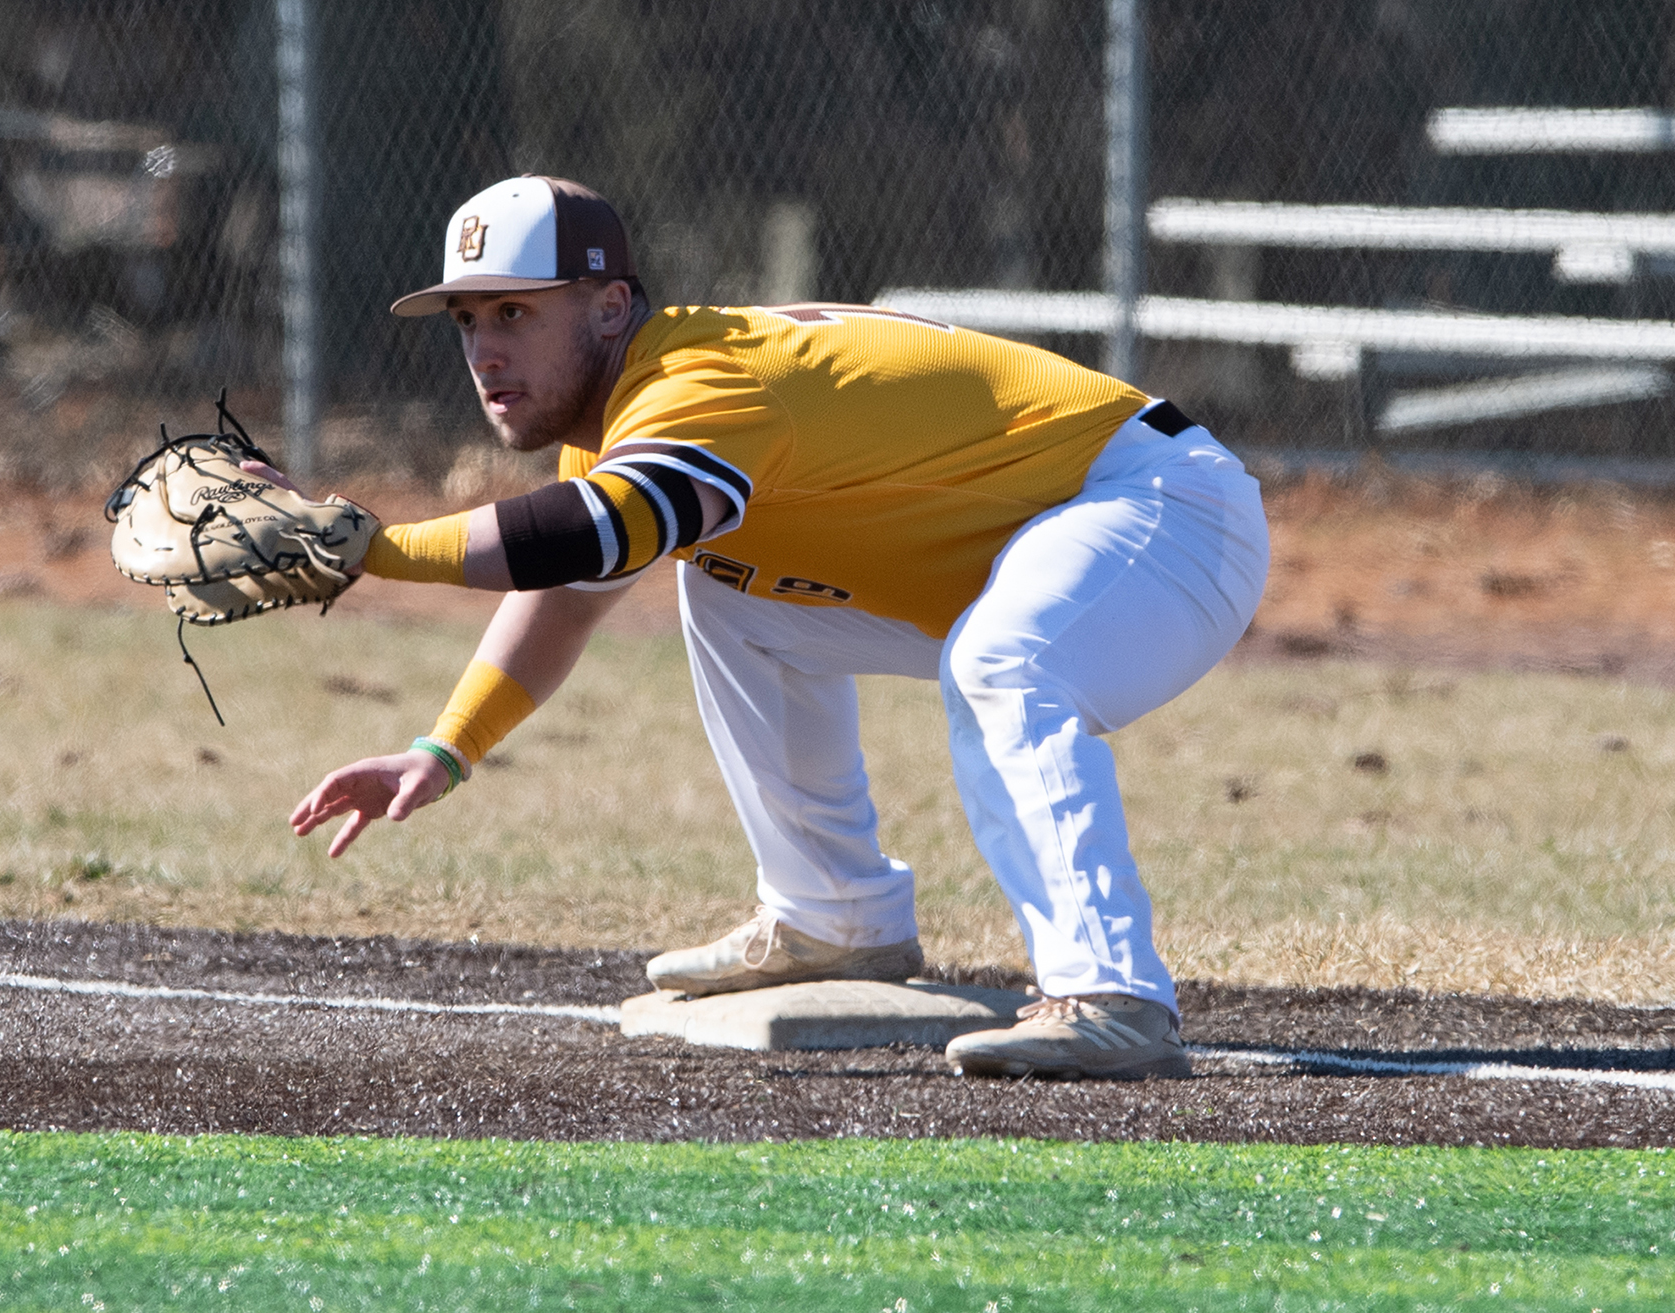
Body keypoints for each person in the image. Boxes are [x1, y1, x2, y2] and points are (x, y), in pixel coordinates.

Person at [285, 175, 1270, 1080]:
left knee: (1002, 661)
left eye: (513, 311)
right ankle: (833, 913)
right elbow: (578, 577)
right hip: (1036, 538)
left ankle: (1112, 993)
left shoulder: (703, 383)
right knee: (728, 588)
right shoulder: (622, 419)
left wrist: (372, 549)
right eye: (465, 320)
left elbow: (601, 529)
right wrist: (443, 748)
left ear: (610, 307)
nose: (484, 349)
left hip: (1162, 509)